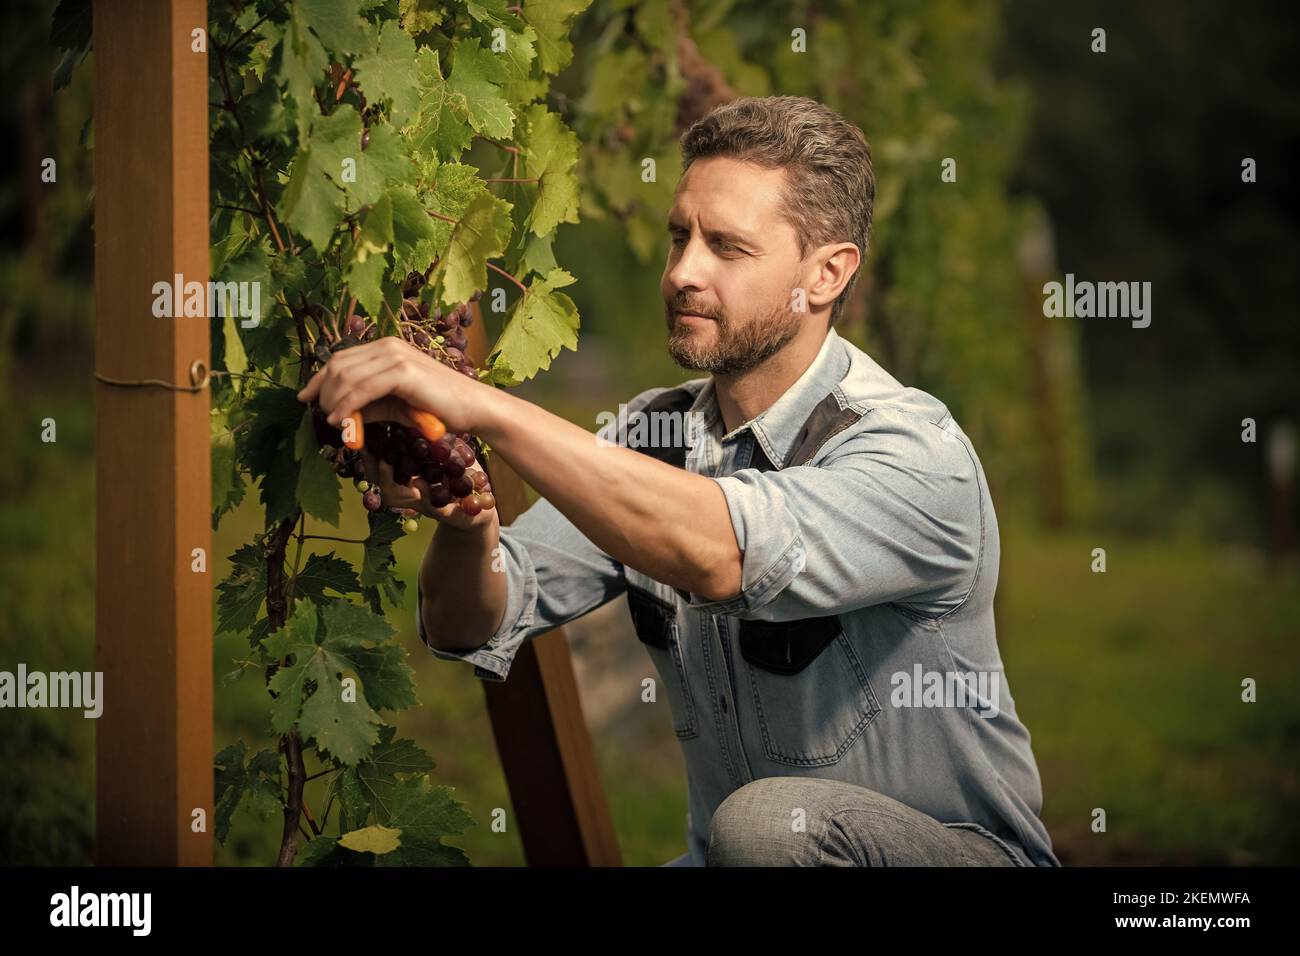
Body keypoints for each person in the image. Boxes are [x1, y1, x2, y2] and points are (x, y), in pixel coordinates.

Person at [299, 95, 1059, 868]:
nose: (683, 273)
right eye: (678, 237)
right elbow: (470, 623)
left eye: (728, 248)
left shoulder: (911, 452)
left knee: (765, 826)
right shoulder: (657, 439)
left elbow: (721, 551)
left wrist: (483, 408)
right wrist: (470, 527)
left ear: (827, 274)